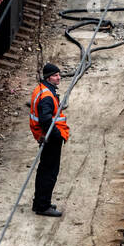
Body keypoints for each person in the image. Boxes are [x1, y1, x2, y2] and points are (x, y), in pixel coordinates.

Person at [29, 63, 69, 218]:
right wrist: (57, 135)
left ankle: (39, 202)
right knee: (49, 173)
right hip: (50, 138)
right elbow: (46, 120)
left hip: (44, 136)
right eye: (55, 75)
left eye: (59, 74)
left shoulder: (41, 89)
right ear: (48, 77)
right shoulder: (46, 96)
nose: (58, 78)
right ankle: (43, 206)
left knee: (43, 170)